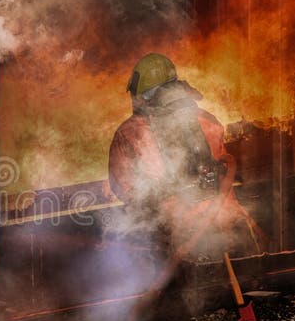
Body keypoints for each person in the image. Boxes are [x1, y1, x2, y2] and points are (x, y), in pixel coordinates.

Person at [108, 53, 266, 262]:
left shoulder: (129, 134)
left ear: (141, 95)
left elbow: (124, 189)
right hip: (224, 229)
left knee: (186, 291)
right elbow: (223, 173)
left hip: (171, 243)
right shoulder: (207, 120)